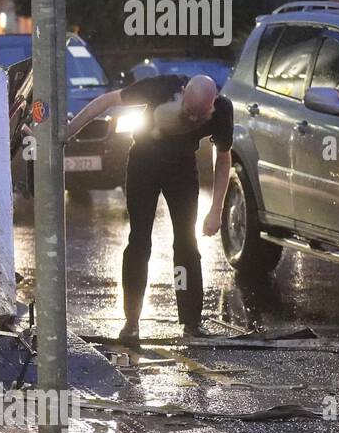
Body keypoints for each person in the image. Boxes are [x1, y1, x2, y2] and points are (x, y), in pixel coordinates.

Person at [66, 74, 233, 342]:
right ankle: (131, 321)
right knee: (140, 240)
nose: (192, 119)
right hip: (144, 163)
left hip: (181, 168)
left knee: (186, 245)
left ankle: (191, 322)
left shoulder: (222, 111)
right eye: (188, 111)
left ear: (213, 104)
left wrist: (216, 210)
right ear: (180, 94)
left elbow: (223, 159)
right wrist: (70, 130)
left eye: (199, 116)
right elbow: (109, 100)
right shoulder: (160, 87)